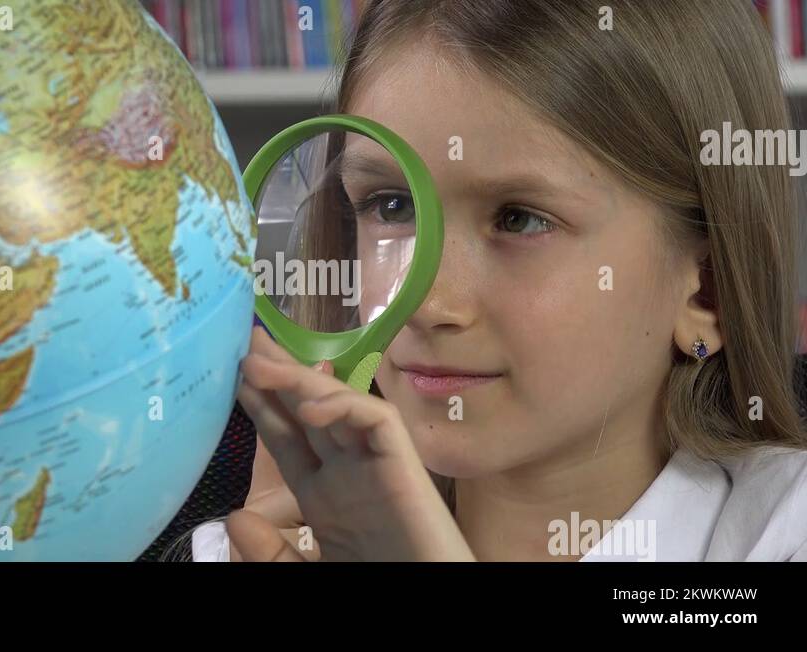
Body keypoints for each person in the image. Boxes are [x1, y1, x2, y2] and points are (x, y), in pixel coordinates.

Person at [192, 0, 807, 562]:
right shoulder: (249, 547)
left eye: (520, 219)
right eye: (390, 206)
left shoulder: (782, 529)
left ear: (706, 292)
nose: (428, 304)